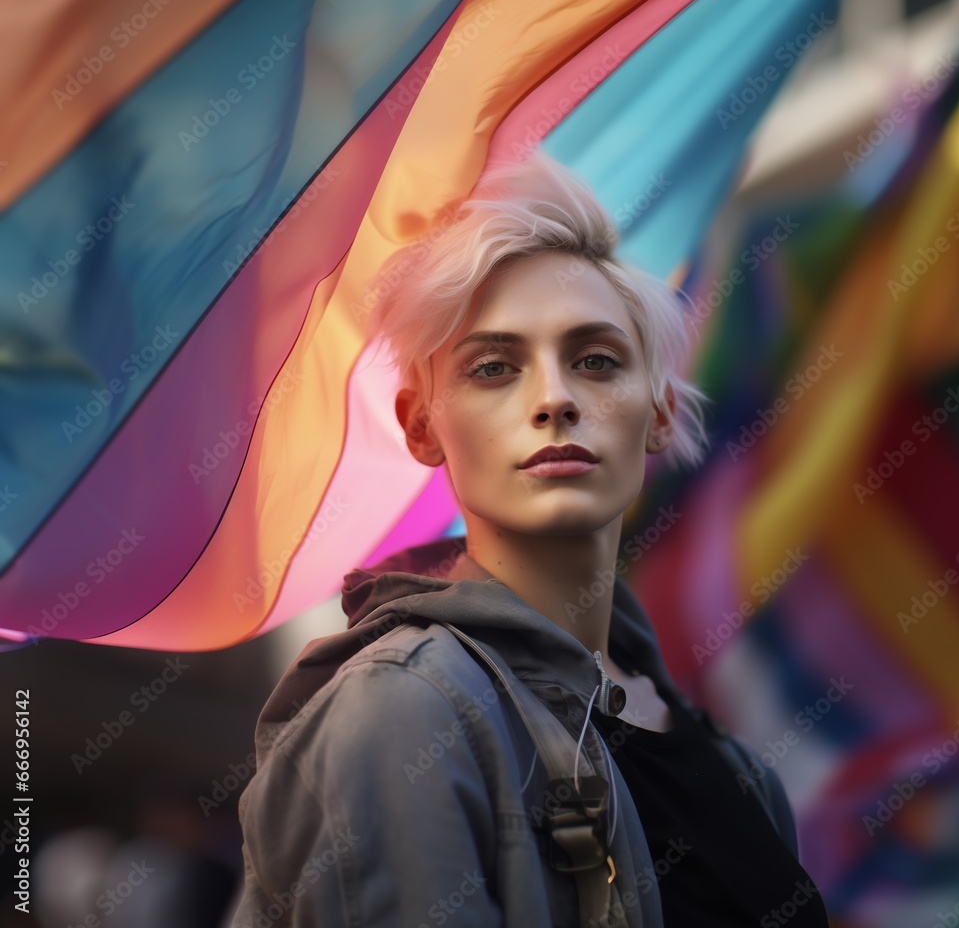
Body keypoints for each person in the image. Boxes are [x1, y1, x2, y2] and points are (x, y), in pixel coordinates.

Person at [229, 152, 830, 926]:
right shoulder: (399, 713)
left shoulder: (743, 775)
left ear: (659, 415)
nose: (553, 398)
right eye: (493, 368)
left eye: (595, 360)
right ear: (422, 425)